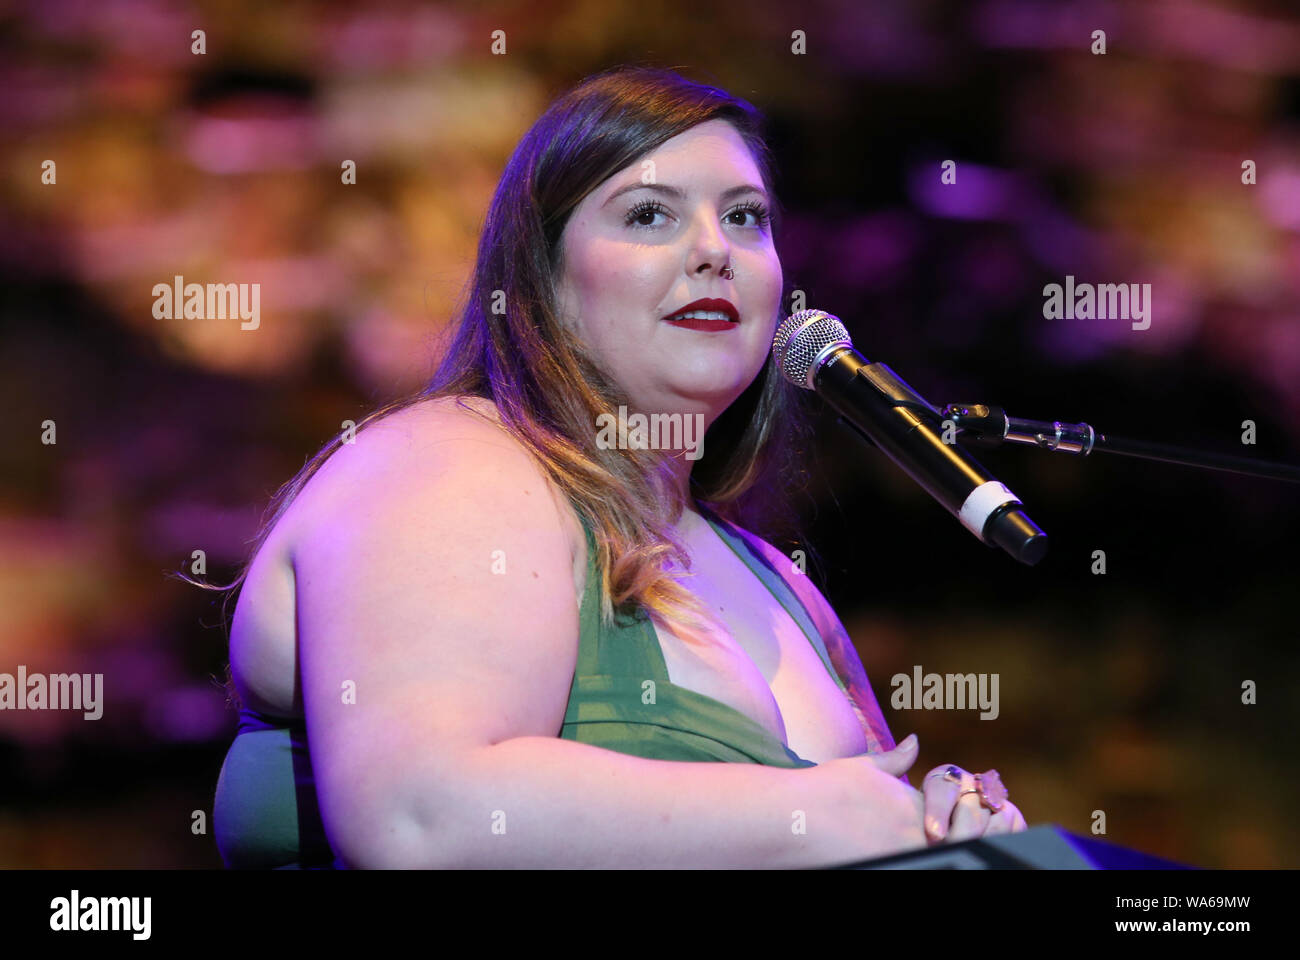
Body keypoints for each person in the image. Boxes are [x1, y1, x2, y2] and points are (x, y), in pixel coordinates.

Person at [202, 65, 1026, 869]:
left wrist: (941, 838)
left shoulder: (780, 586)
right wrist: (814, 815)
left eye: (746, 218)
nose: (715, 251)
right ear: (544, 281)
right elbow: (421, 820)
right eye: (648, 216)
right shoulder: (449, 460)